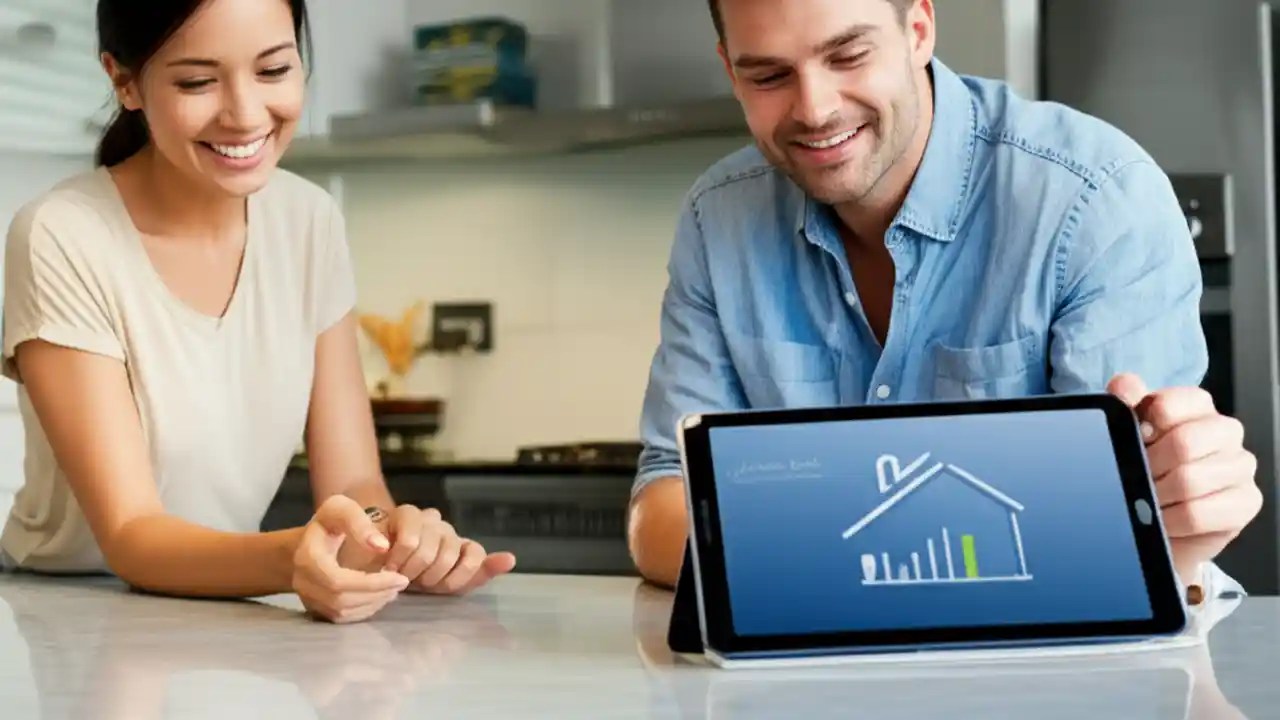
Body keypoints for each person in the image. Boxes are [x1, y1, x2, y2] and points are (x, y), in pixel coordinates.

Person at [627, 0, 1263, 612]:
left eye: (848, 55)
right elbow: (662, 502)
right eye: (768, 75)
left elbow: (1122, 538)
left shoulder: (1095, 200)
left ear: (920, 29)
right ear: (730, 71)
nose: (815, 109)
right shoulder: (718, 220)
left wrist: (812, 548)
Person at [0, 0, 515, 623]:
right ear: (123, 80)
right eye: (196, 81)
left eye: (273, 71)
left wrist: (390, 540)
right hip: (68, 615)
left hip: (226, 608)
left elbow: (354, 486)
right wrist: (296, 557)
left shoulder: (308, 220)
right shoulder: (63, 234)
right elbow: (132, 533)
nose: (245, 114)